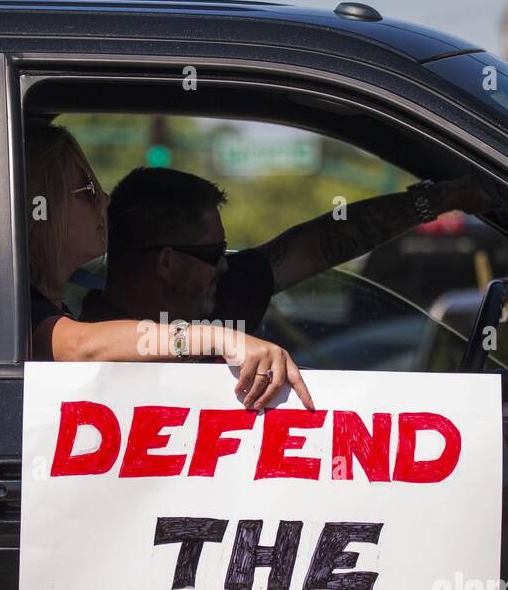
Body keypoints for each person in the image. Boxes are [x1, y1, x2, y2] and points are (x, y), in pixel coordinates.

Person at [22, 120, 312, 411]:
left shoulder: (44, 306)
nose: (105, 200)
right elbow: (78, 347)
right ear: (42, 211)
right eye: (87, 190)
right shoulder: (17, 309)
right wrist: (218, 337)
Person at [80, 165, 496, 335]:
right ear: (167, 262)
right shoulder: (80, 347)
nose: (225, 266)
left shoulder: (214, 296)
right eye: (214, 253)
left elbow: (318, 245)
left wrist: (438, 200)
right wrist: (227, 343)